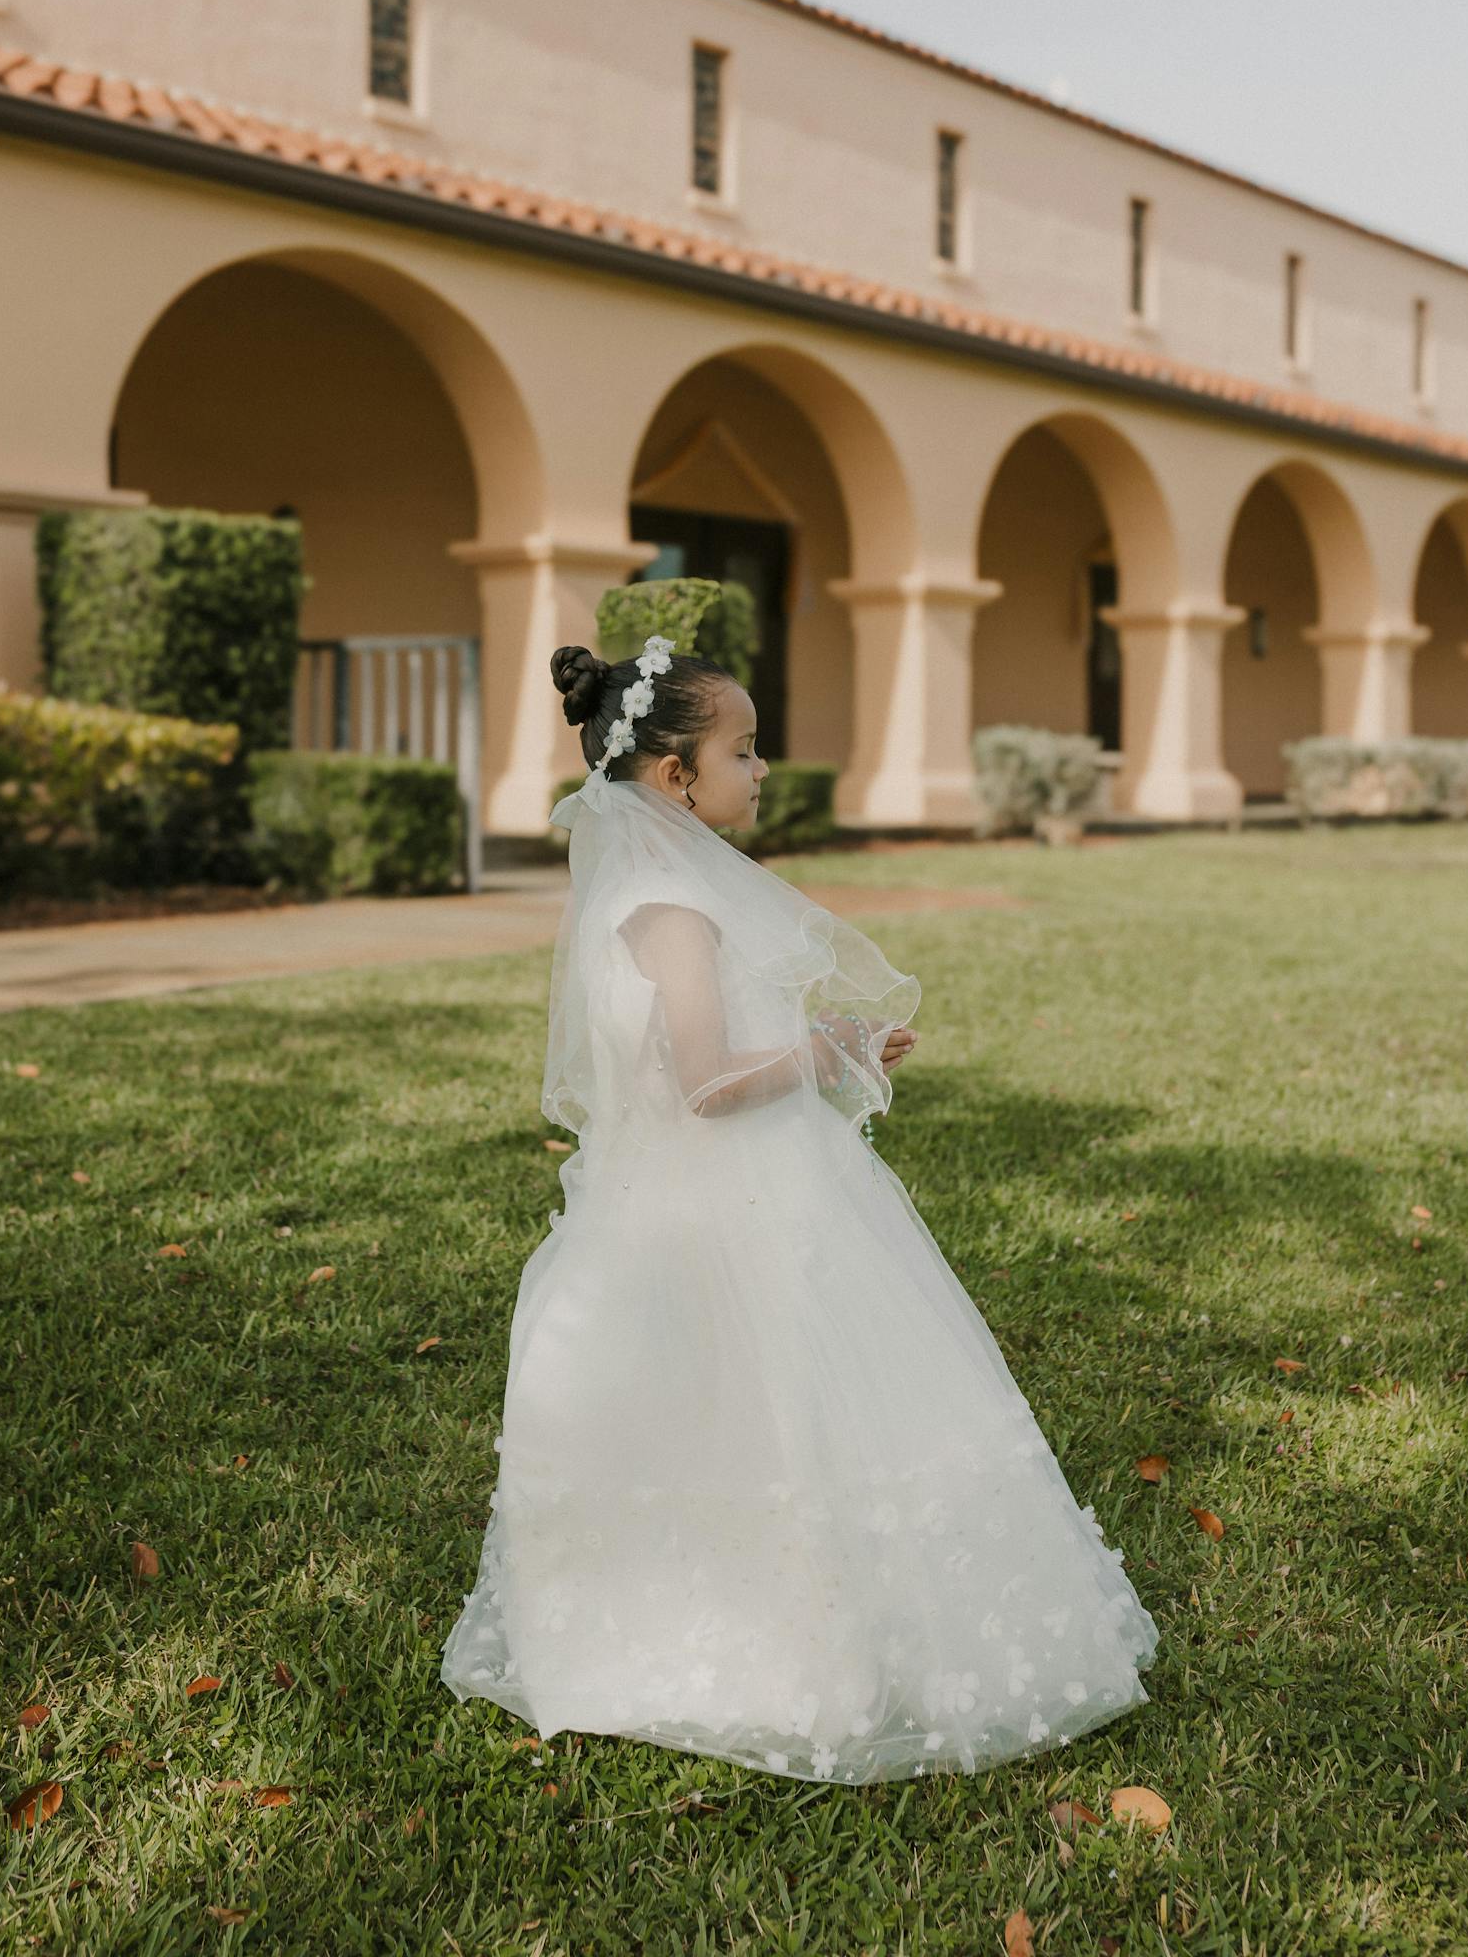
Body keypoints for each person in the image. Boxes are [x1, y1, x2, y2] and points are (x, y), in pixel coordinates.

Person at [441, 635, 1159, 1784]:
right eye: (743, 747)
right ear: (674, 774)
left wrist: (833, 1044)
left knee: (728, 1403)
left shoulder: (639, 884)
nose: (762, 766)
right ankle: (795, 1646)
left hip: (680, 1199)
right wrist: (824, 1050)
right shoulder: (674, 903)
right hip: (732, 1201)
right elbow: (706, 1081)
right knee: (783, 1403)